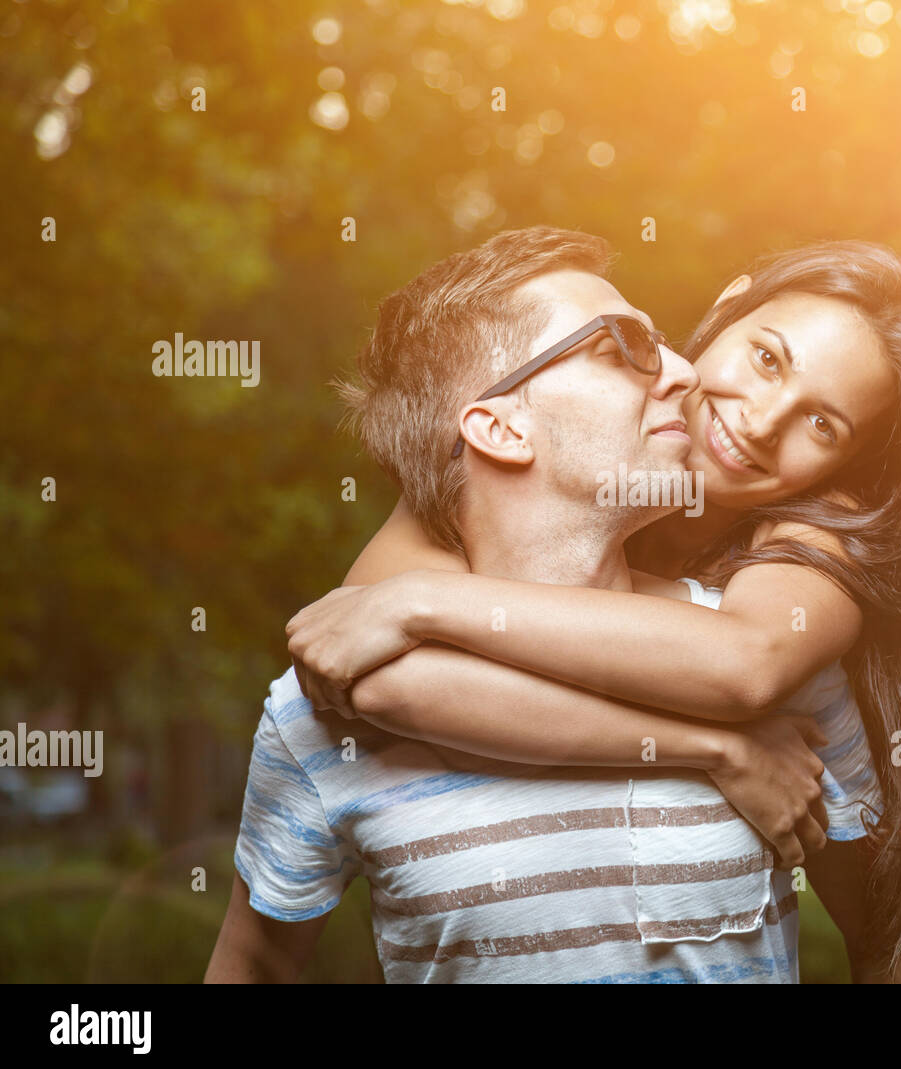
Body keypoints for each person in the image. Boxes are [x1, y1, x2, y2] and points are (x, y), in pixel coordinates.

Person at [288, 236, 901, 983]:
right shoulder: (536, 442)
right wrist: (725, 752)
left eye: (823, 426)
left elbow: (748, 663)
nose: (760, 423)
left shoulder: (812, 540)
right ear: (728, 306)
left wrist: (423, 601)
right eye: (766, 358)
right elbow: (370, 679)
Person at [206, 226, 831, 984]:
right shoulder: (322, 714)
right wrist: (723, 750)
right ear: (500, 427)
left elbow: (896, 947)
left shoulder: (789, 654)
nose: (681, 371)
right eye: (622, 346)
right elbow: (254, 967)